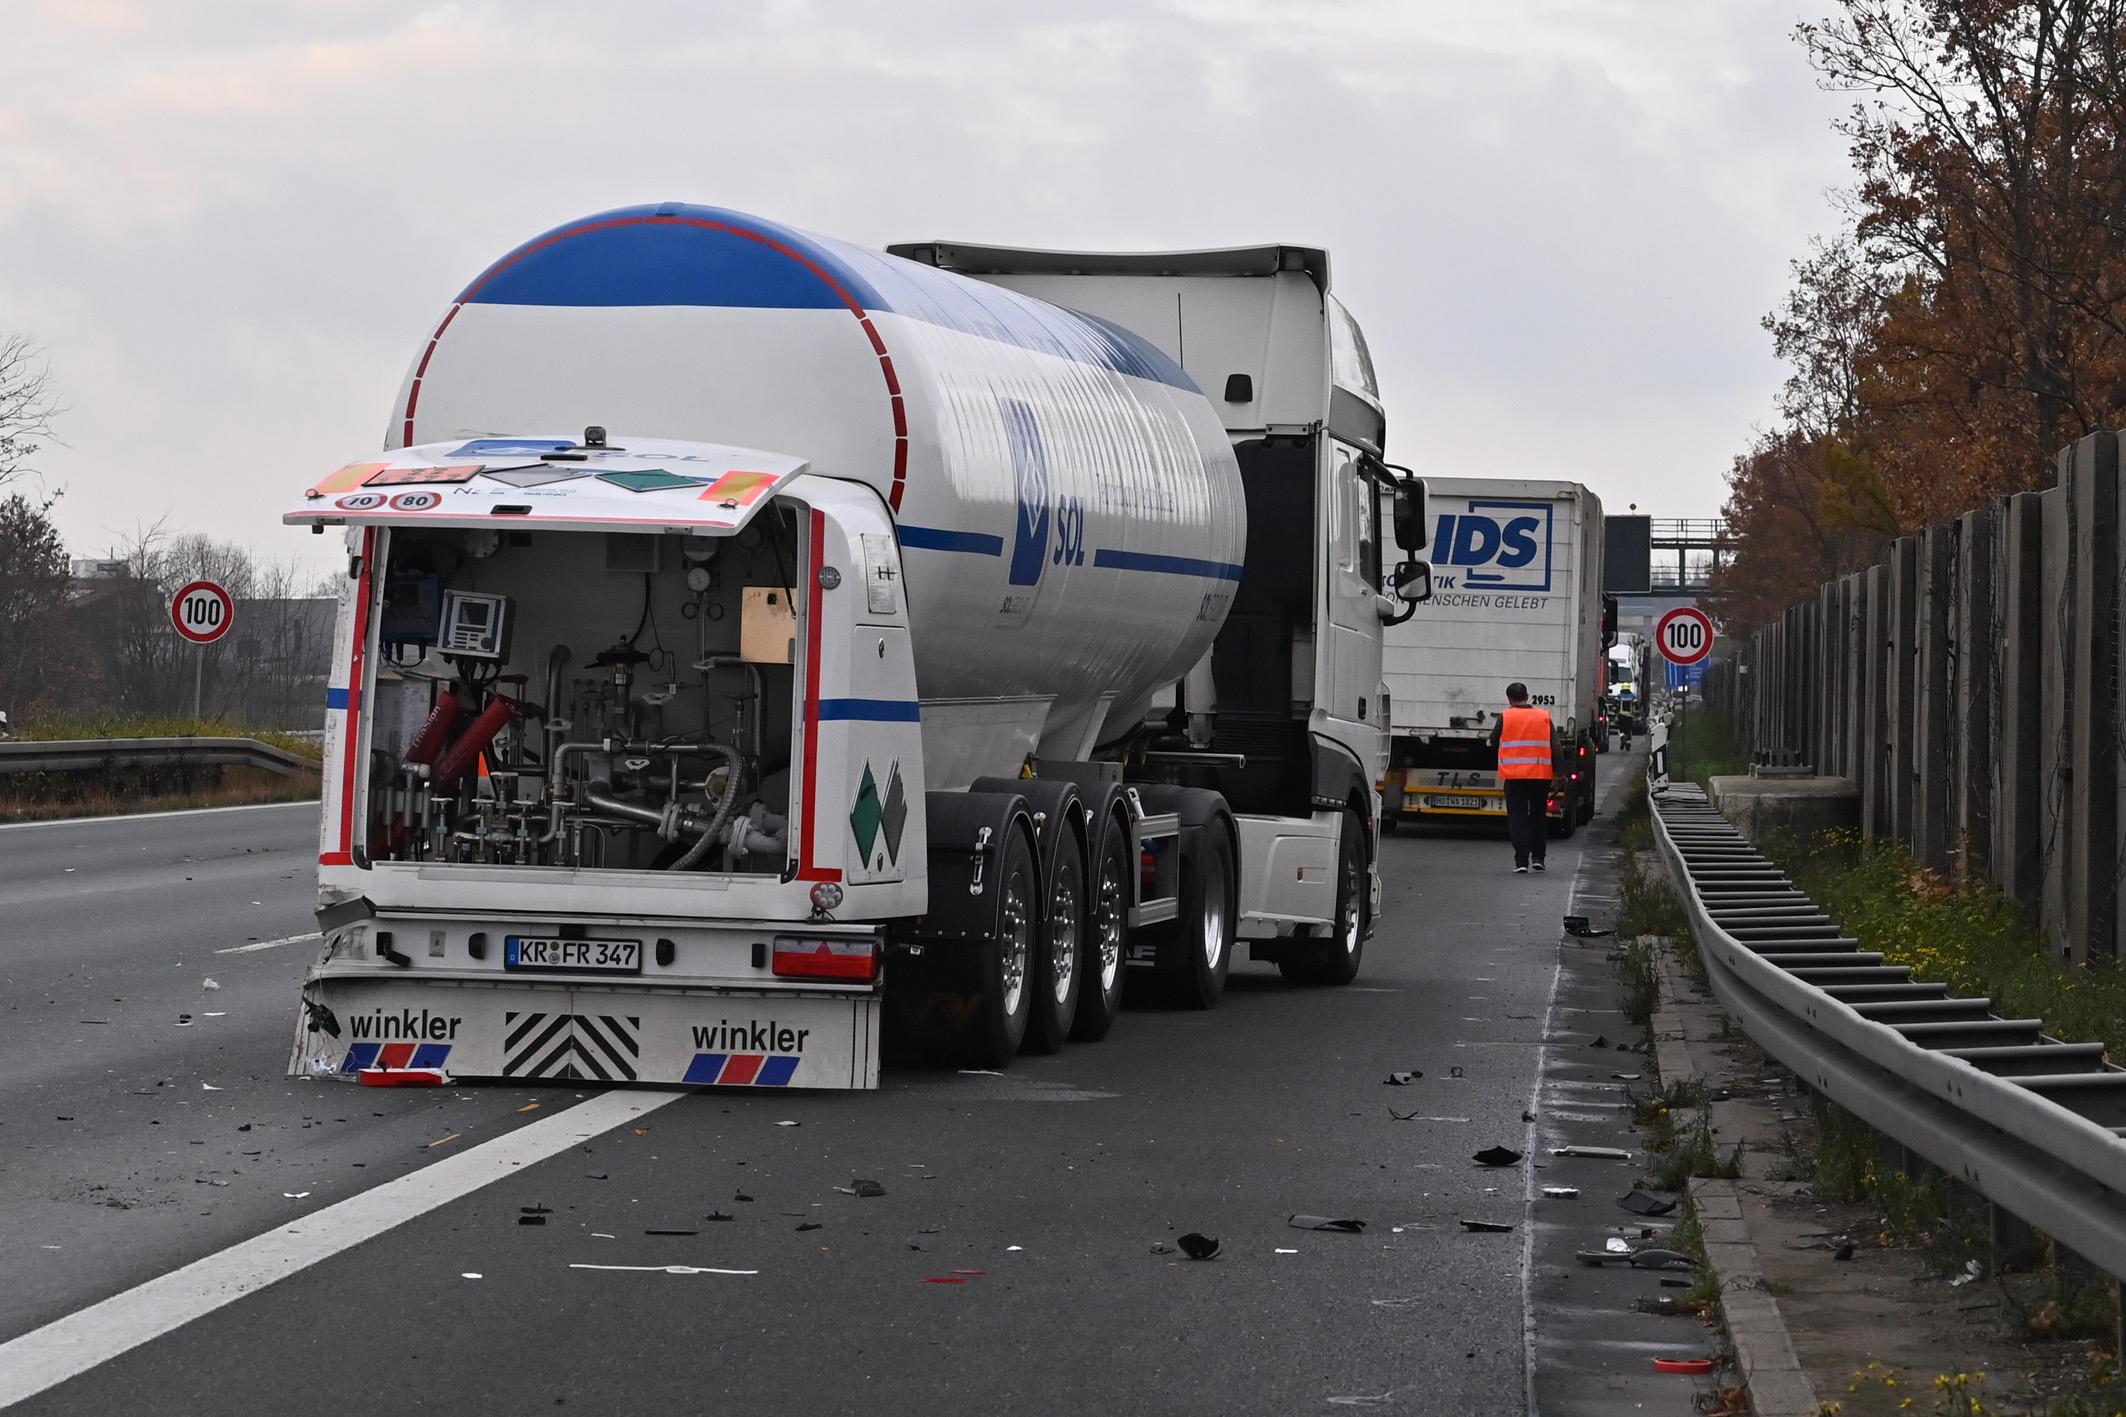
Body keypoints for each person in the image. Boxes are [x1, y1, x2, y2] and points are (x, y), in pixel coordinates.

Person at [1492, 682, 1555, 874]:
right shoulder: (1543, 716)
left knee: (1517, 817)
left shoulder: (1505, 717)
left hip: (1514, 776)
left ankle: (1521, 861)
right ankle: (1538, 859)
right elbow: (1555, 745)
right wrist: (1560, 772)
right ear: (1527, 696)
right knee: (1538, 815)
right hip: (1540, 775)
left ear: (1509, 699)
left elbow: (1493, 740)